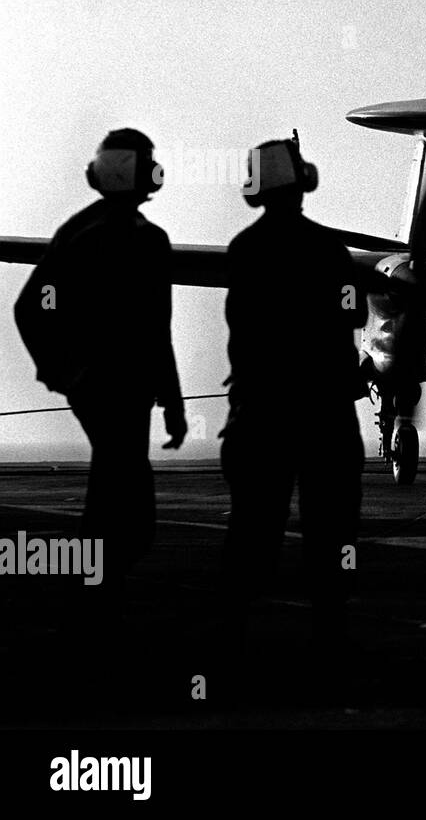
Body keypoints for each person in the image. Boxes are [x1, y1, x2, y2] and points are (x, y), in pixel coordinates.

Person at [13, 128, 186, 599]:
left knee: (112, 487)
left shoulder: (77, 231)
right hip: (122, 389)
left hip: (97, 388)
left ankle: (91, 588)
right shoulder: (146, 239)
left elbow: (30, 307)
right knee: (126, 495)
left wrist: (63, 373)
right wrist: (172, 402)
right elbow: (156, 328)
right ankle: (93, 590)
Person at [219, 134, 366, 651]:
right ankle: (330, 634)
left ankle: (232, 635)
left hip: (260, 410)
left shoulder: (244, 250)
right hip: (325, 412)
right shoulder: (329, 248)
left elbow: (241, 326)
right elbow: (356, 313)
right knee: (332, 531)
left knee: (253, 528)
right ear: (302, 185)